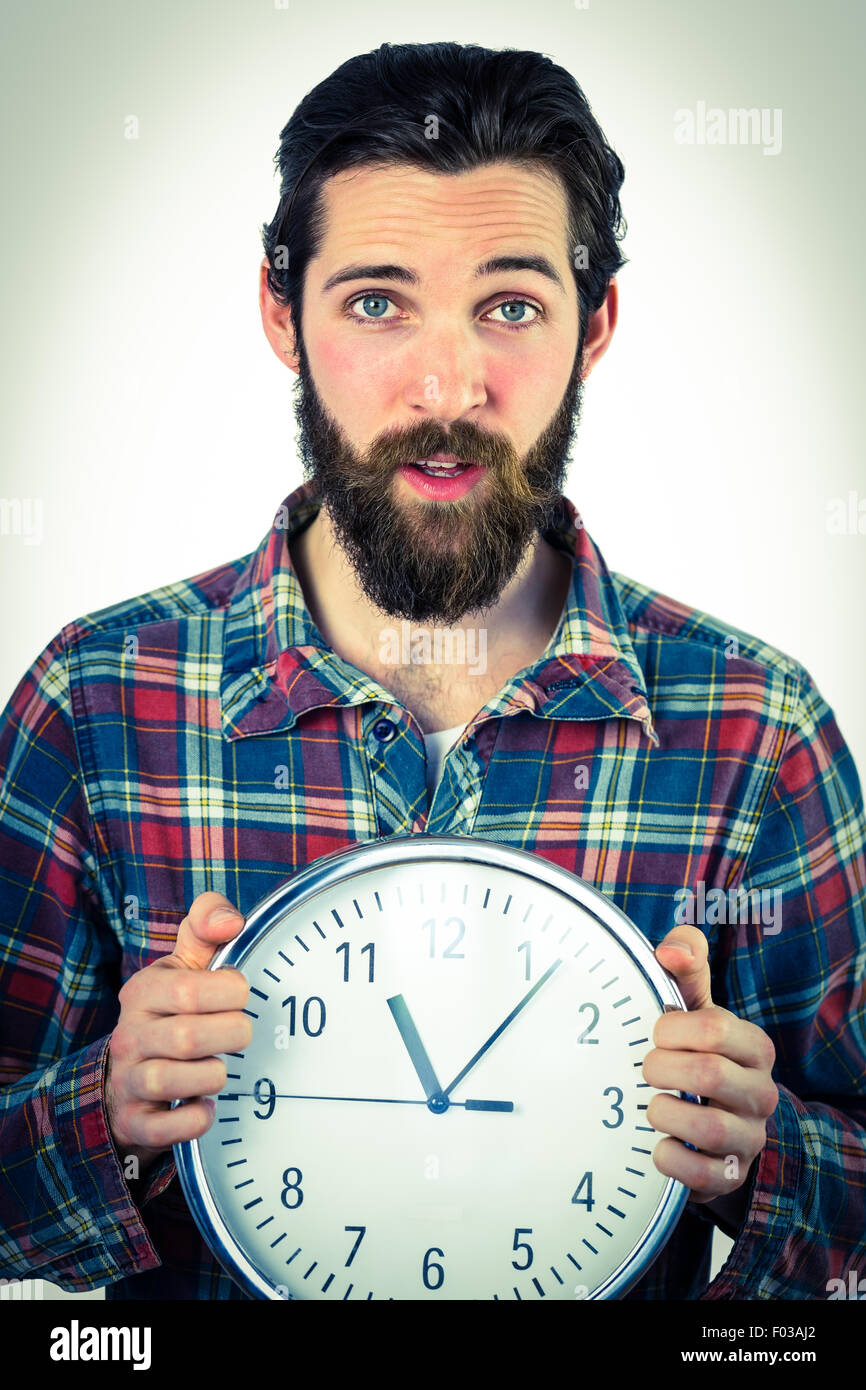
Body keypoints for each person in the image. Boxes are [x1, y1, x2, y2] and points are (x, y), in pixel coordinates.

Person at [0, 40, 863, 1302]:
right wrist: (104, 1114)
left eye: (509, 305)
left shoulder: (755, 729)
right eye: (375, 301)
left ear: (595, 323)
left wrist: (760, 1155)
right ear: (279, 314)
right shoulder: (97, 702)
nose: (447, 384)